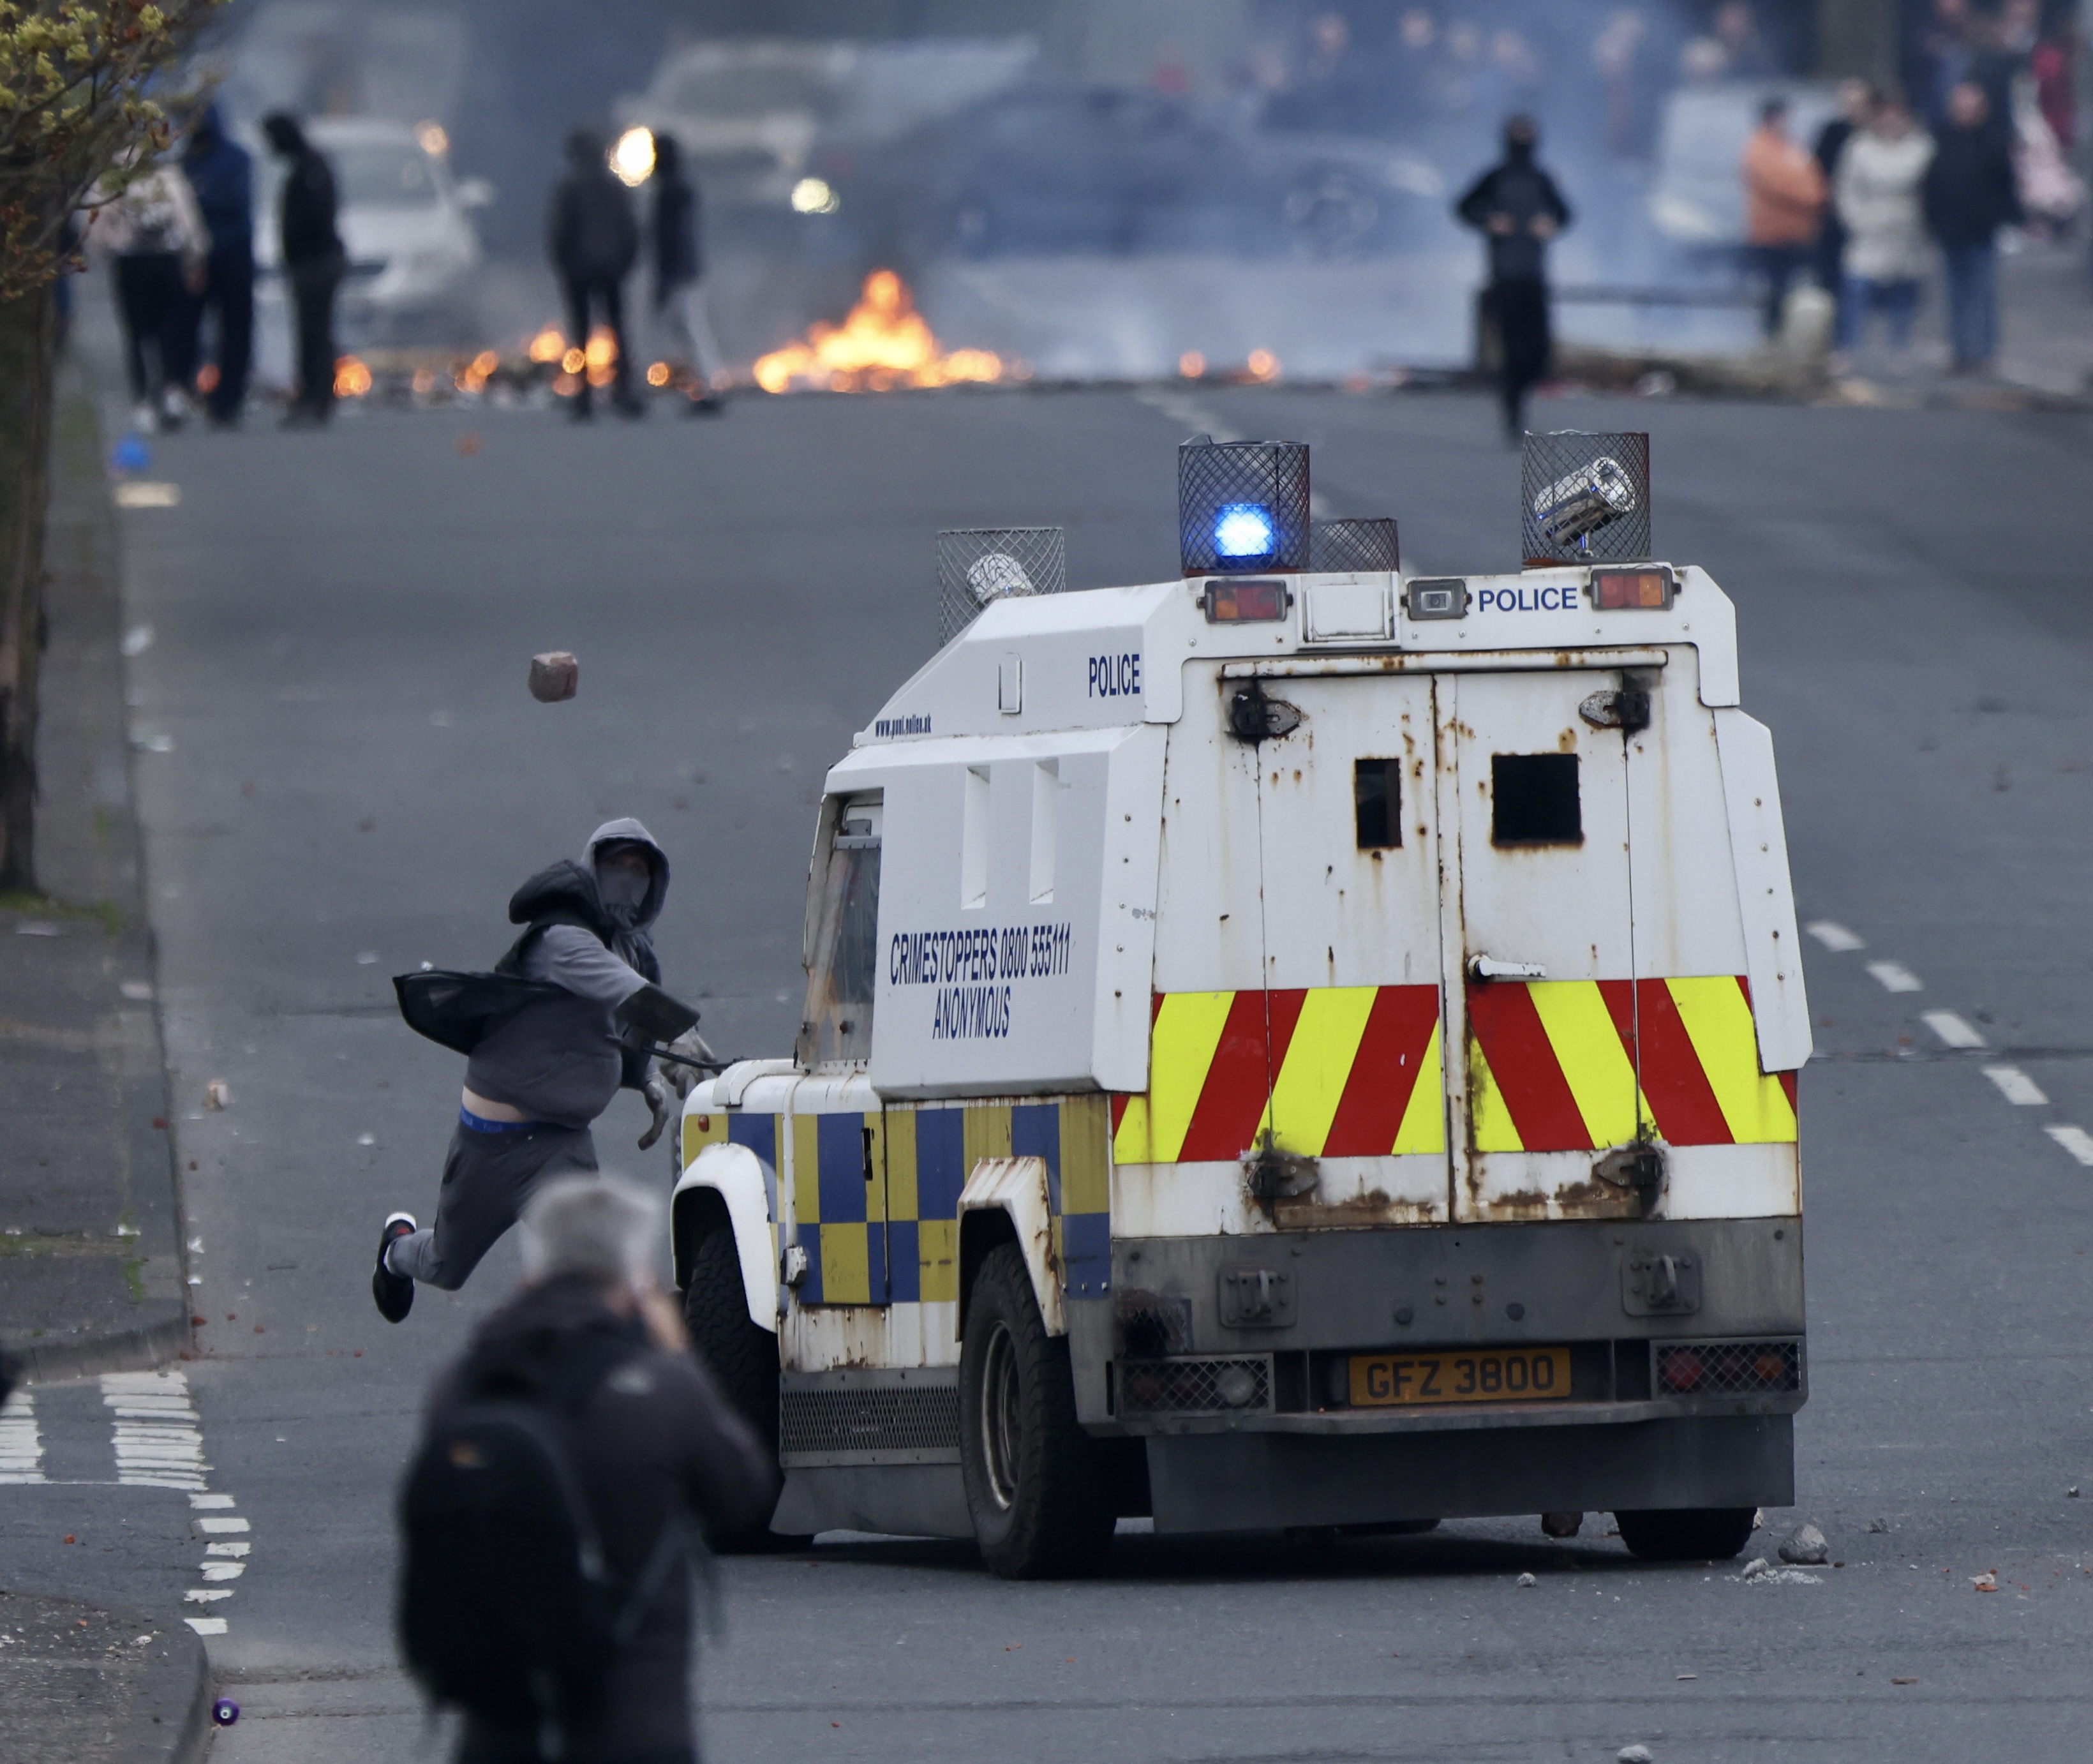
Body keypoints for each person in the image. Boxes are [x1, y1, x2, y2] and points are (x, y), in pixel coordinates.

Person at [408, 1174, 778, 1764]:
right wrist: (680, 1353)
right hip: (634, 1731)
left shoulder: (464, 1384)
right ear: (635, 1280)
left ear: (533, 1269)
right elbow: (745, 1496)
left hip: (497, 1734)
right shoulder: (662, 1386)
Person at [375, 821, 687, 1322]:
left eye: (639, 870)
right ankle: (396, 1249)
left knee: (592, 1272)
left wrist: (646, 1076)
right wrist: (681, 1034)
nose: (628, 880)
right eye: (617, 866)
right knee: (443, 1266)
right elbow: (628, 994)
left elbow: (626, 1027)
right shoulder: (562, 939)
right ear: (592, 867)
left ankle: (602, 1352)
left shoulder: (633, 952)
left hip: (561, 1147)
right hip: (488, 1149)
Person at [1456, 114, 1570, 444]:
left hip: (1533, 276)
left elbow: (1565, 214)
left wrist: (1549, 224)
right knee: (1511, 350)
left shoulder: (1540, 178)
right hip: (1504, 276)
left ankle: (1521, 393)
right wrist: (1489, 221)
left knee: (1536, 351)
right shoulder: (1495, 177)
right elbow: (1464, 207)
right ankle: (1512, 414)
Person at [93, 156, 209, 434]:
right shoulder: (168, 177)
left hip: (131, 263)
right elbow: (188, 219)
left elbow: (98, 227)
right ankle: (172, 390)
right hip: (167, 260)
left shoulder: (111, 180)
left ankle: (144, 401)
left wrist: (108, 252)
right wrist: (195, 256)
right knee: (170, 329)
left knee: (136, 334)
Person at [1923, 80, 2022, 375]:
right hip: (1950, 230)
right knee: (1956, 297)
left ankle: (1986, 353)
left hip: (1981, 231)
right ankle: (1960, 352)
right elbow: (1932, 184)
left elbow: (2005, 185)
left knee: (1983, 294)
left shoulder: (1992, 141)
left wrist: (2002, 218)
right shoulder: (1943, 140)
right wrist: (1933, 220)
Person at [548, 128, 643, 421]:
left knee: (581, 334)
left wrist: (563, 265)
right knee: (618, 331)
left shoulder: (569, 188)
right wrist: (626, 264)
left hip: (579, 270)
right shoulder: (616, 187)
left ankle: (584, 397)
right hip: (612, 268)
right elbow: (631, 230)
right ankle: (623, 391)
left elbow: (560, 231)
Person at [1835, 93, 1935, 357]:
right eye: (1886, 116)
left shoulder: (1922, 148)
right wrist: (1856, 220)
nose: (1891, 122)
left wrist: (1925, 225)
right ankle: (1852, 350)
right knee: (1858, 290)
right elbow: (1846, 189)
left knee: (1903, 294)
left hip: (1907, 229)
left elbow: (1934, 190)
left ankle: (1898, 351)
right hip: (1870, 227)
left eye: (1897, 116)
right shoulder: (1860, 148)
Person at [260, 114, 345, 428]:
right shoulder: (305, 168)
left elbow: (317, 218)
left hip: (316, 262)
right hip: (309, 263)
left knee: (315, 333)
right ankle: (312, 395)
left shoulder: (311, 170)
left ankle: (318, 397)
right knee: (310, 333)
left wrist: (300, 250)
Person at [179, 105, 255, 429]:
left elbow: (235, 202)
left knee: (235, 330)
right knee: (185, 328)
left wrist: (199, 198)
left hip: (232, 251)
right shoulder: (187, 161)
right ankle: (186, 391)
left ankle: (229, 398)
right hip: (197, 255)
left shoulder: (235, 159)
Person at [648, 135, 725, 414]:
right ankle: (704, 385)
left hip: (680, 273)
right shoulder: (680, 187)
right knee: (686, 329)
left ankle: (708, 387)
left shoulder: (671, 191)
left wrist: (667, 278)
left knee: (689, 330)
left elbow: (672, 240)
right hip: (688, 271)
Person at [1739, 96, 1826, 340]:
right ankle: (1771, 337)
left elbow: (1812, 177)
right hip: (1771, 234)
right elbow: (1780, 185)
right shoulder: (1758, 149)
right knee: (1775, 289)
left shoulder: (1791, 147)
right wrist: (1811, 196)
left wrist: (1814, 193)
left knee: (1796, 289)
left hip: (1799, 233)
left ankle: (1792, 336)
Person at [1812, 80, 1874, 327]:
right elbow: (1818, 170)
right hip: (1833, 215)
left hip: (1870, 216)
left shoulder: (1872, 133)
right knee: (1832, 278)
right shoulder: (1832, 132)